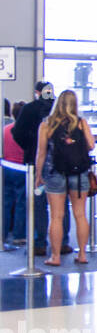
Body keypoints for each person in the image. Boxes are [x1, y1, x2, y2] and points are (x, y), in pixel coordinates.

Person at [33, 90, 94, 266]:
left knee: (56, 216)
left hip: (55, 173)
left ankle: (56, 257)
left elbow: (41, 153)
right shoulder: (82, 123)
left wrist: (38, 175)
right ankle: (82, 254)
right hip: (79, 172)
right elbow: (91, 145)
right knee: (80, 215)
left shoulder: (47, 124)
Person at [14, 81, 68, 257]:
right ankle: (62, 242)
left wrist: (30, 147)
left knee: (38, 205)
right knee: (61, 205)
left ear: (37, 92)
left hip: (34, 163)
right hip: (60, 165)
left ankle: (39, 243)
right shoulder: (60, 110)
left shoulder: (29, 109)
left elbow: (17, 133)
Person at [3, 100, 26, 246]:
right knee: (21, 203)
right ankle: (19, 234)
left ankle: (3, 233)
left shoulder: (5, 130)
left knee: (6, 202)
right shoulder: (28, 130)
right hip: (21, 169)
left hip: (6, 168)